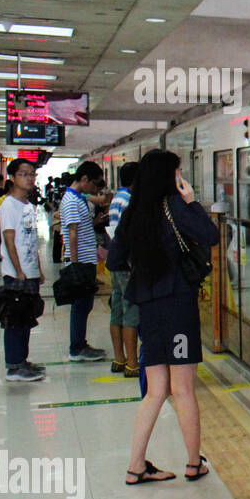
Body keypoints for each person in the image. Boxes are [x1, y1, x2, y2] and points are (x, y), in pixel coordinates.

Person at [108, 150, 218, 484]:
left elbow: (114, 260)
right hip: (178, 307)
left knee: (155, 390)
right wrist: (192, 201)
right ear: (169, 177)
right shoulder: (175, 207)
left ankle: (136, 465)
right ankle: (192, 463)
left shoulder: (132, 214)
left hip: (148, 309)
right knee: (183, 388)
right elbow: (211, 237)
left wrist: (145, 268)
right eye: (177, 172)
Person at [0, 158, 45, 382]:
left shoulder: (27, 205)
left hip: (30, 270)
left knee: (26, 317)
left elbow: (30, 239)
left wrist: (38, 268)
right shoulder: (9, 205)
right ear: (13, 178)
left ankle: (22, 361)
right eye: (24, 174)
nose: (29, 178)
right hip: (18, 273)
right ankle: (14, 366)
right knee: (15, 319)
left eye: (32, 174)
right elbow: (9, 238)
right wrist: (18, 270)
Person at [58, 161, 107, 361]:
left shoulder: (77, 199)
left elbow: (80, 227)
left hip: (86, 259)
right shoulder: (71, 200)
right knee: (81, 305)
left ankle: (79, 344)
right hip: (81, 262)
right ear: (84, 179)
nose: (94, 189)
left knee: (84, 305)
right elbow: (72, 233)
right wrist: (76, 264)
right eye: (94, 184)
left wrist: (96, 221)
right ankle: (77, 347)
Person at [106, 161, 140, 376]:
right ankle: (132, 363)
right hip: (127, 263)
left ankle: (119, 359)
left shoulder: (117, 197)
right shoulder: (130, 201)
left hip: (115, 259)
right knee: (131, 313)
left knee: (116, 311)